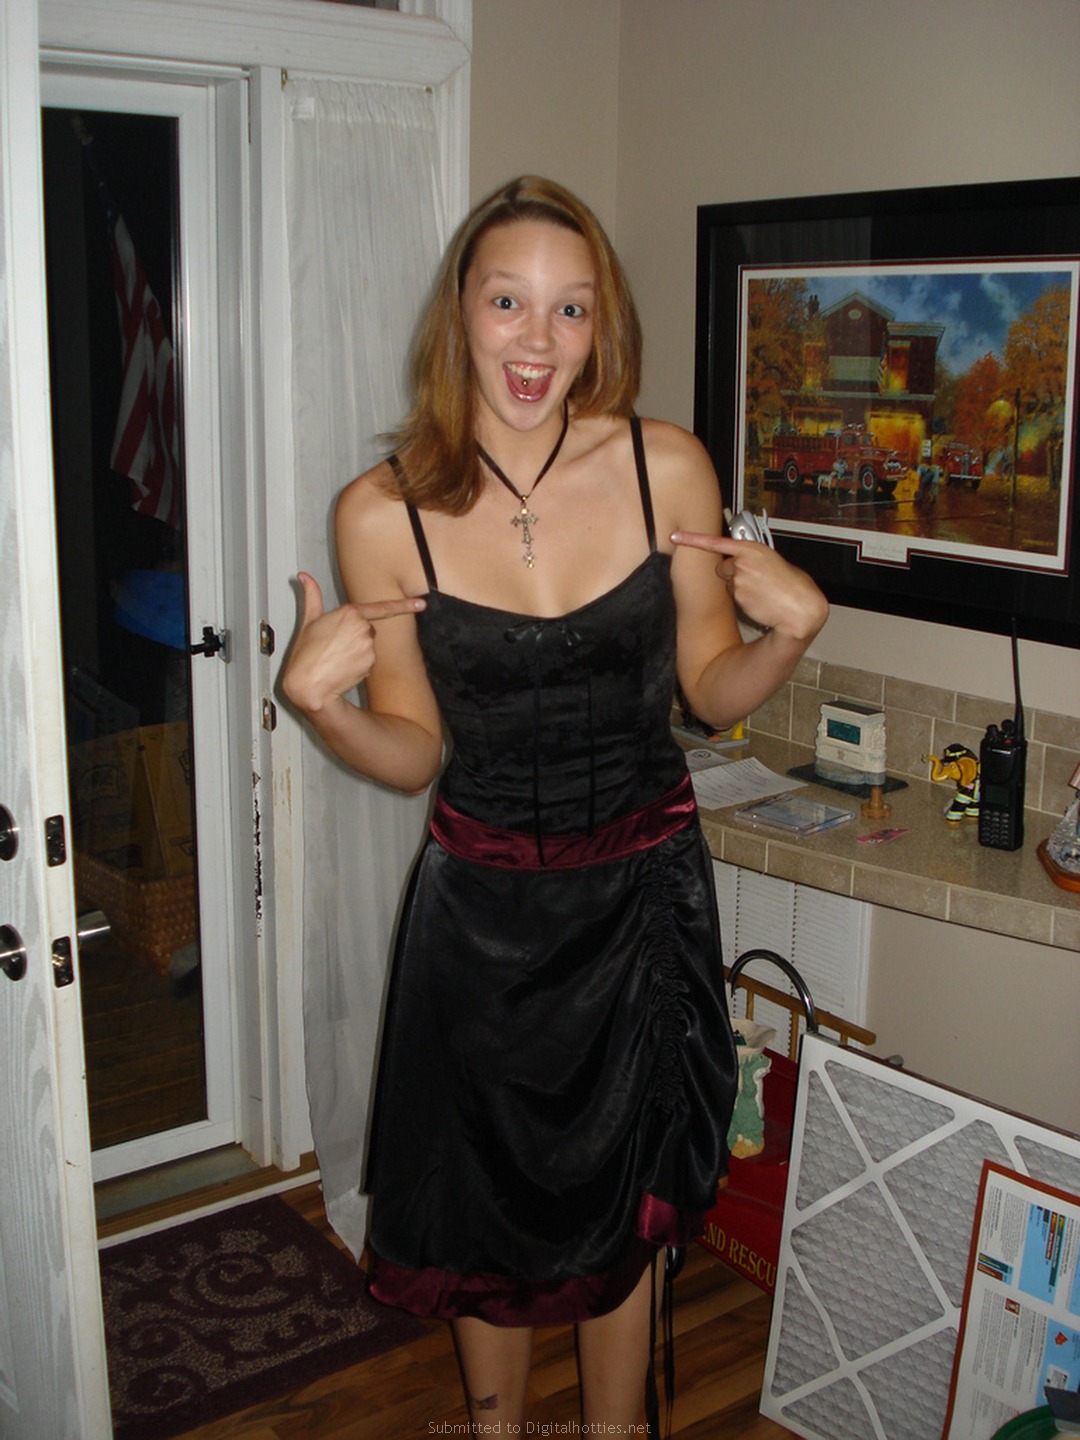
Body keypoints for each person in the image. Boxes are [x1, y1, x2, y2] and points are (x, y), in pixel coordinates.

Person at [281, 176, 828, 1434]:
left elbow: (710, 691)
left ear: (601, 324)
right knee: (486, 1205)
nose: (538, 340)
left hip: (643, 904)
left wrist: (790, 635)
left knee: (627, 1203)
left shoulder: (665, 466)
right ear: (460, 314)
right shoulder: (382, 511)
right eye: (508, 302)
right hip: (479, 919)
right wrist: (324, 710)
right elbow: (414, 751)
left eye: (570, 309)